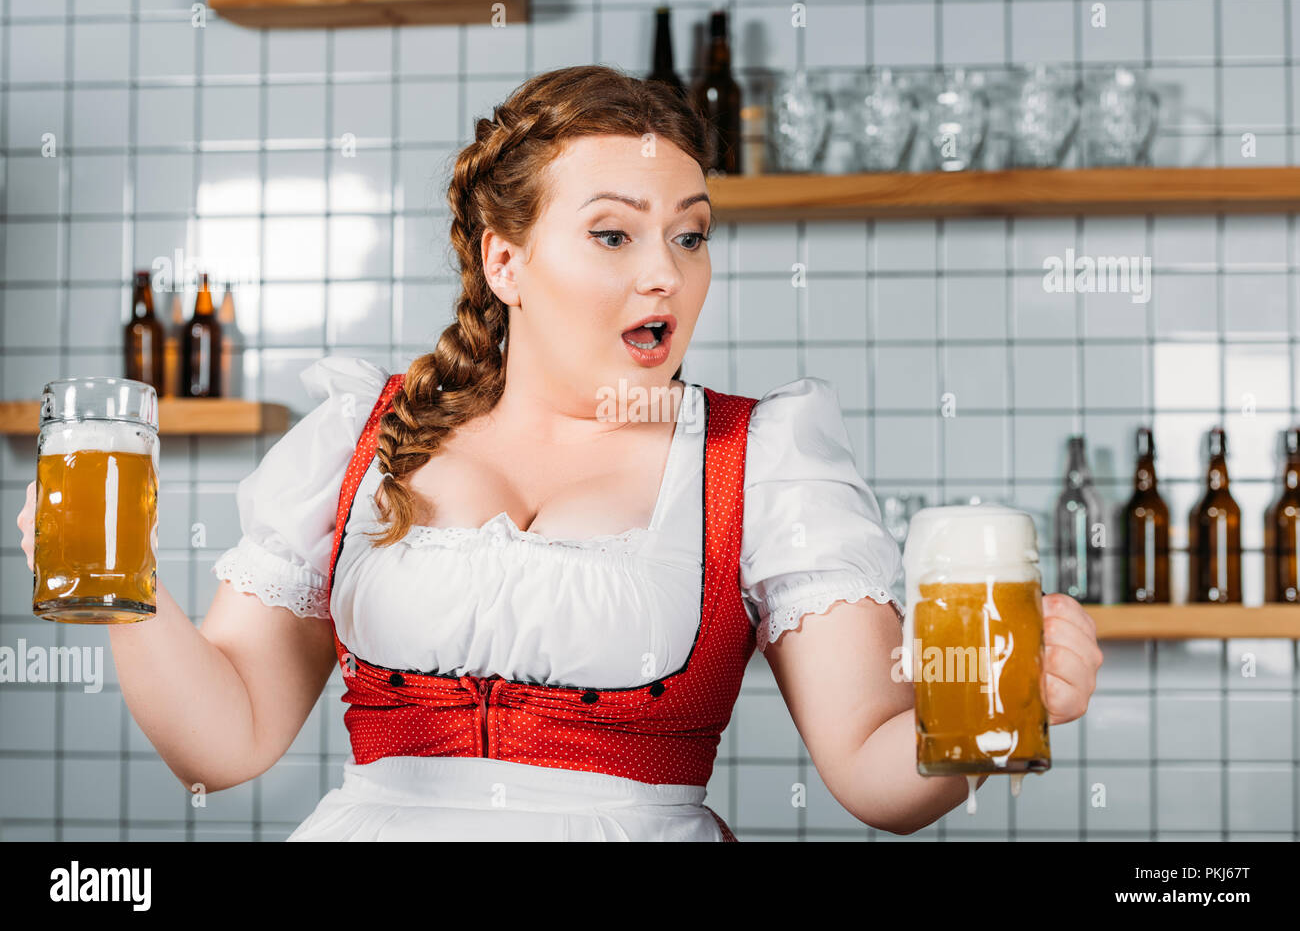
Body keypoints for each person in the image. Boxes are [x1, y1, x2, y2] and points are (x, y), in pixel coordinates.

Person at [16, 65, 1102, 841]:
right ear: (506, 261)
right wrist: (128, 589)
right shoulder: (366, 436)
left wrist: (993, 723)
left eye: (690, 233)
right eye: (614, 233)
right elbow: (227, 741)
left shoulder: (758, 456)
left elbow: (873, 772)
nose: (666, 274)